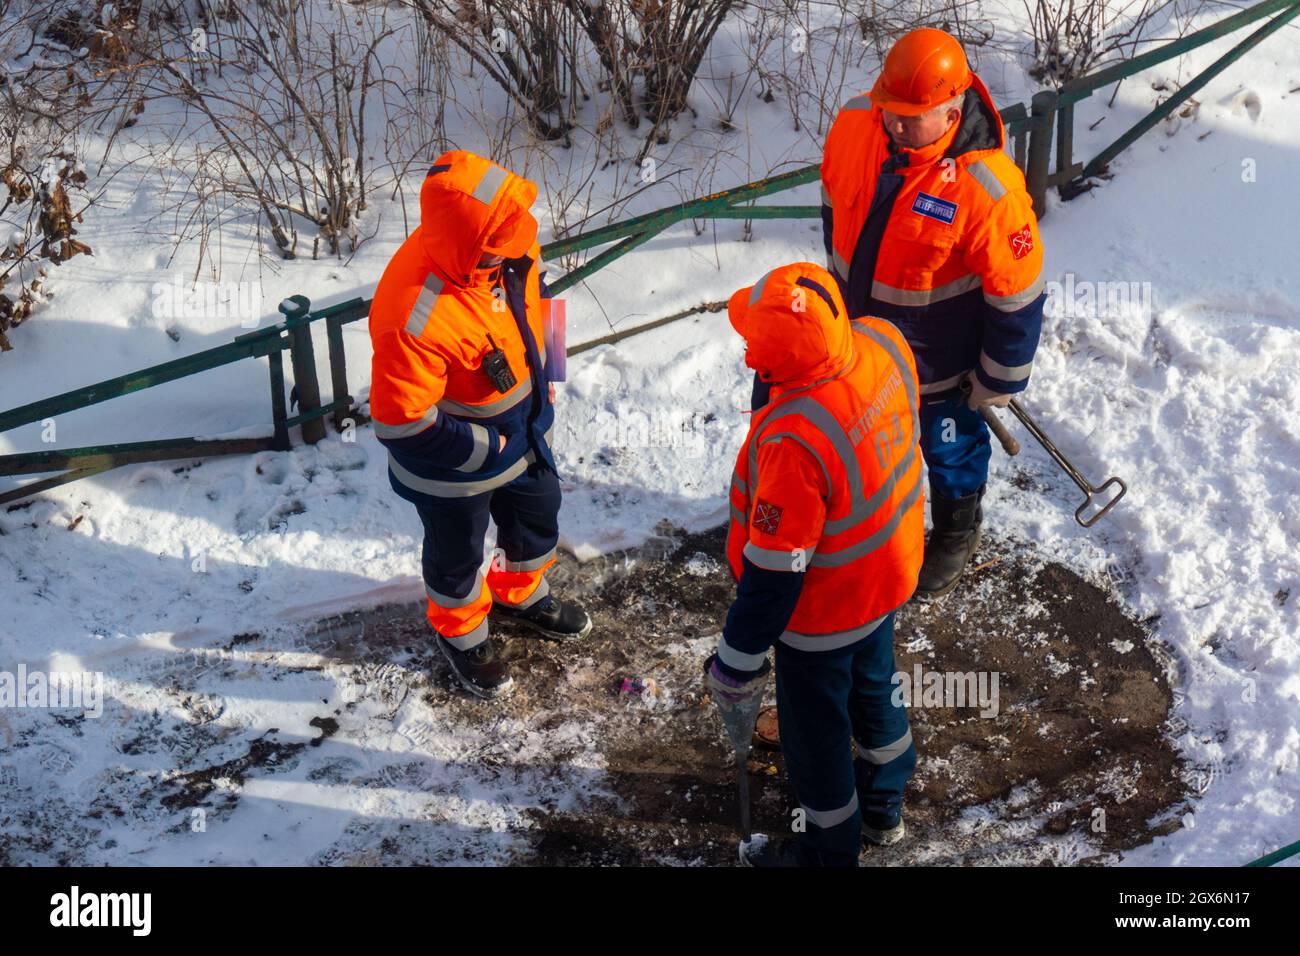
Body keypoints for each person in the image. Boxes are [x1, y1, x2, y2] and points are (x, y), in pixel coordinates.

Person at [706, 262, 924, 867]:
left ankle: (828, 851)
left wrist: (737, 659)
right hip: (885, 578)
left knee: (815, 737)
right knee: (876, 692)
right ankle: (884, 805)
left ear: (771, 360)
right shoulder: (881, 341)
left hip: (820, 618)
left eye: (753, 342)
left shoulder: (795, 439)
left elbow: (776, 571)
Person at [819, 27, 1046, 598]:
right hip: (861, 347)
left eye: (910, 117)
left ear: (951, 111)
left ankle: (955, 531)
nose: (894, 125)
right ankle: (872, 528)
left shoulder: (987, 190)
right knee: (867, 446)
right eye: (889, 110)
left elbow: (1018, 296)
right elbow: (832, 201)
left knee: (949, 449)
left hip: (940, 369)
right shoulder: (856, 123)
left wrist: (998, 380)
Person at [368, 150, 590, 700]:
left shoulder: (509, 240)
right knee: (457, 555)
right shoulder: (414, 314)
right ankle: (462, 633)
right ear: (470, 241)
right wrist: (487, 449)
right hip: (453, 466)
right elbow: (402, 423)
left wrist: (550, 373)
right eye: (501, 244)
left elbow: (541, 300)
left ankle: (518, 592)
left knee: (536, 517)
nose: (516, 247)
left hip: (524, 431)